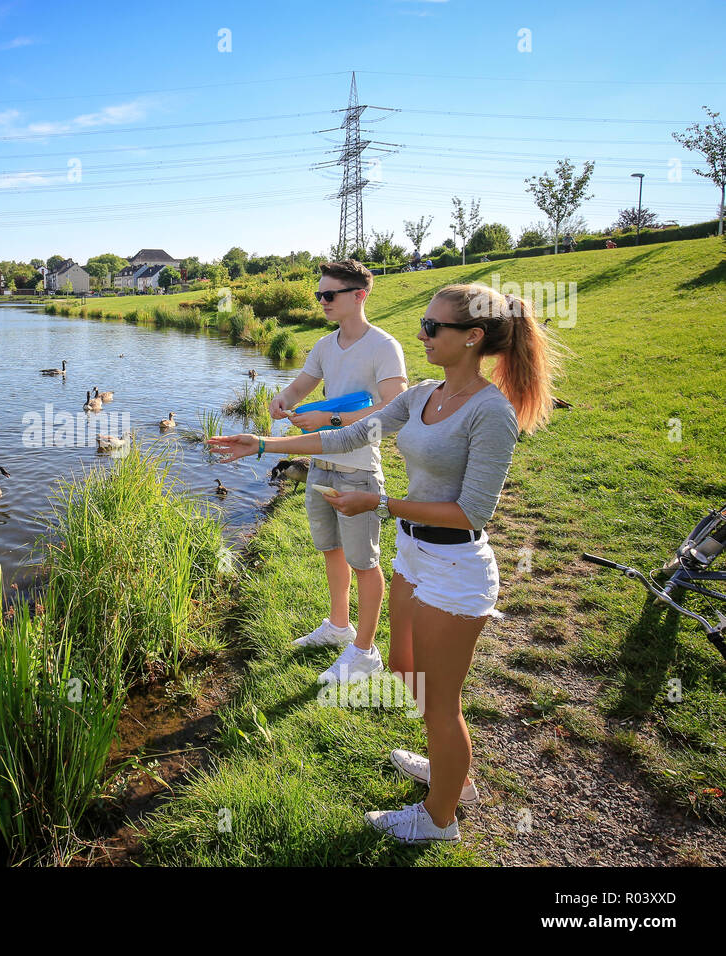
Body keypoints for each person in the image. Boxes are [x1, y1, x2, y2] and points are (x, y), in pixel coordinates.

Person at [209, 283, 556, 844]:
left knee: (443, 705)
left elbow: (470, 512)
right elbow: (349, 434)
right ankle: (451, 771)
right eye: (422, 323)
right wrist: (262, 445)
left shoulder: (492, 413)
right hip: (413, 554)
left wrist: (382, 503)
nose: (421, 334)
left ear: (472, 337)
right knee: (404, 670)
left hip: (455, 564)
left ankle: (440, 817)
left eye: (433, 327)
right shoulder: (422, 395)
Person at [269, 260, 407, 684]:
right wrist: (281, 398)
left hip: (359, 470)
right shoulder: (326, 346)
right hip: (322, 466)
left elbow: (393, 410)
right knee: (331, 551)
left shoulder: (384, 346)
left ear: (359, 295)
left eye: (329, 295)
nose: (322, 302)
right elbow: (300, 386)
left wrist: (330, 421)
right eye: (319, 295)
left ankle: (364, 652)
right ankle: (338, 626)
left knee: (364, 562)